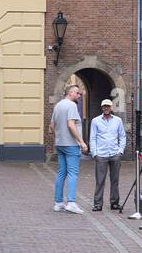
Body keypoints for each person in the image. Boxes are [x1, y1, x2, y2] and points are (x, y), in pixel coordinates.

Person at [51, 83, 89, 214]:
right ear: (70, 93)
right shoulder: (72, 105)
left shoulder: (58, 105)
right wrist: (81, 142)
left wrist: (59, 137)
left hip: (60, 144)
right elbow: (71, 125)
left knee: (61, 173)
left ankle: (58, 202)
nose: (79, 95)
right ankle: (71, 202)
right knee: (73, 173)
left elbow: (51, 126)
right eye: (77, 93)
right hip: (71, 145)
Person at [89, 98, 127, 212]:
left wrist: (120, 151)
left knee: (115, 180)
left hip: (115, 153)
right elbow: (93, 137)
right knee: (100, 180)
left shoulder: (118, 121)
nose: (106, 108)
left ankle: (114, 203)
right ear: (102, 107)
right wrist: (94, 153)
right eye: (104, 106)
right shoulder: (95, 121)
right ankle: (97, 204)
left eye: (108, 106)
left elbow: (122, 136)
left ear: (111, 108)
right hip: (101, 154)